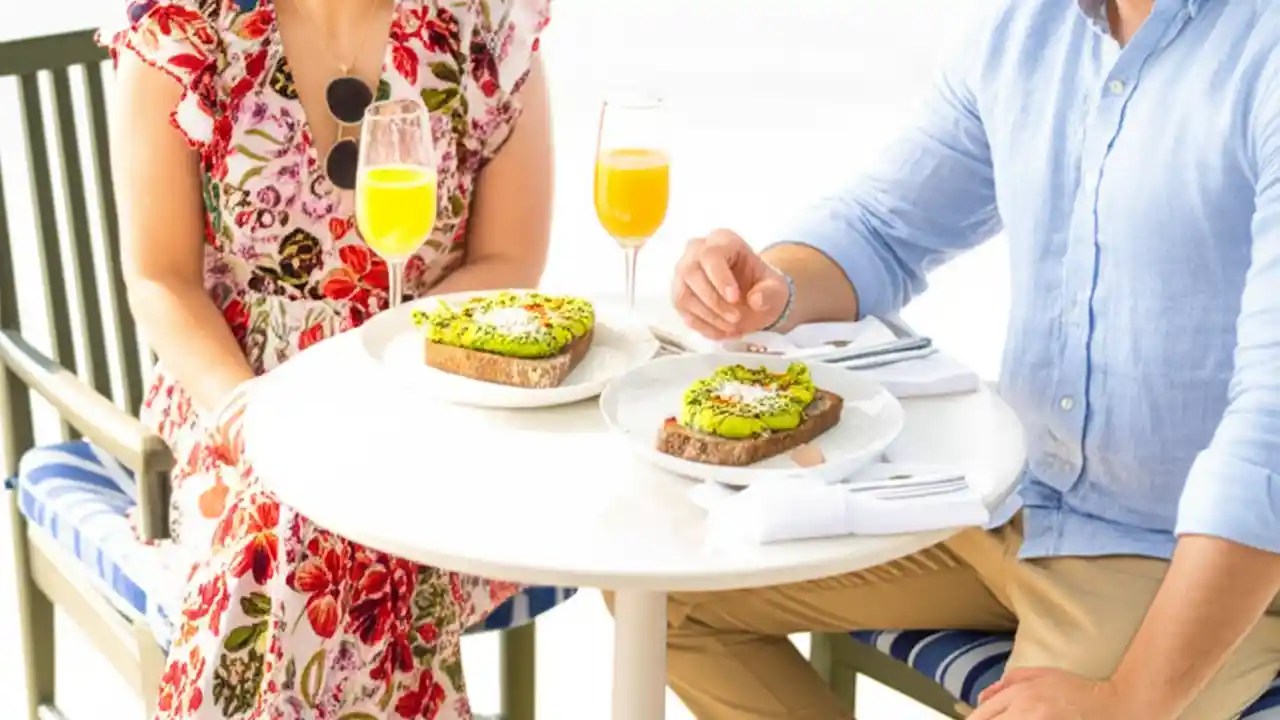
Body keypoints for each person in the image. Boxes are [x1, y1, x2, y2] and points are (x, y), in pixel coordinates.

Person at [665, 0, 1280, 718]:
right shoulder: (1030, 28)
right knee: (667, 597)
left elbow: (1270, 431)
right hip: (1007, 502)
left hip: (1176, 557)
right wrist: (772, 290)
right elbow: (883, 228)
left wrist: (1129, 699)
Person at [103, 0, 550, 717]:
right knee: (300, 506)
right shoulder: (183, 27)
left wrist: (380, 381)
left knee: (361, 504)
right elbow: (160, 278)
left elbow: (509, 257)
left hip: (429, 387)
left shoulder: (482, 26)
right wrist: (251, 416)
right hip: (238, 392)